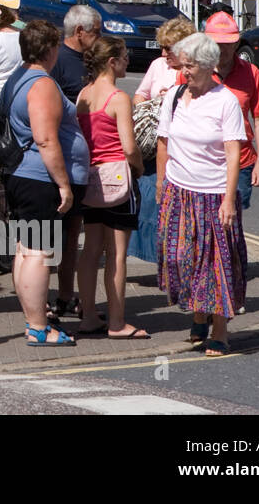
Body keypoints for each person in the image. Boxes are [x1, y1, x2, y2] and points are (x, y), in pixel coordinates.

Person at [156, 31, 248, 356]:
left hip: (212, 194)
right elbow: (163, 140)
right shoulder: (175, 95)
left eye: (191, 66)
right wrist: (161, 183)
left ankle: (219, 330)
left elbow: (233, 153)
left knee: (216, 264)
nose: (185, 71)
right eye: (184, 65)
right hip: (178, 192)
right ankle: (198, 312)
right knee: (182, 258)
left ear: (209, 66)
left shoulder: (225, 101)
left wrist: (228, 198)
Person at [0, 20, 88, 346]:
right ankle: (38, 328)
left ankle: (32, 320)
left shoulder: (17, 78)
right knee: (38, 253)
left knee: (25, 251)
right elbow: (46, 139)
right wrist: (64, 184)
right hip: (39, 178)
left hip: (23, 174)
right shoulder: (42, 84)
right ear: (50, 49)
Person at [75, 36, 147, 339]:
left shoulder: (83, 95)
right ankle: (117, 323)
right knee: (117, 255)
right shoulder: (118, 98)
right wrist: (140, 168)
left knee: (90, 250)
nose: (128, 61)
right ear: (111, 62)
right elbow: (129, 148)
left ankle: (89, 315)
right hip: (118, 180)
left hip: (90, 181)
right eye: (124, 57)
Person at [128, 16, 196, 264]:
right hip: (153, 147)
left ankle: (176, 260)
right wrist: (152, 108)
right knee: (150, 202)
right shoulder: (158, 66)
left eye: (169, 48)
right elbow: (139, 96)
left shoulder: (194, 71)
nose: (164, 52)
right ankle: (157, 258)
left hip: (180, 151)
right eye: (162, 47)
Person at [49, 4, 101, 318]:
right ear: (79, 32)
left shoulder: (88, 60)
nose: (100, 37)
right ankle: (44, 299)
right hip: (59, 160)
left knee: (71, 235)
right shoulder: (58, 61)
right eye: (96, 31)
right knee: (45, 237)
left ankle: (66, 297)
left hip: (82, 161)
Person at [205, 12, 259, 211]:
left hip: (242, 161)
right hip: (204, 162)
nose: (222, 49)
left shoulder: (251, 73)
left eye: (227, 43)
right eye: (217, 43)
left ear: (236, 44)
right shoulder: (195, 72)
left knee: (232, 223)